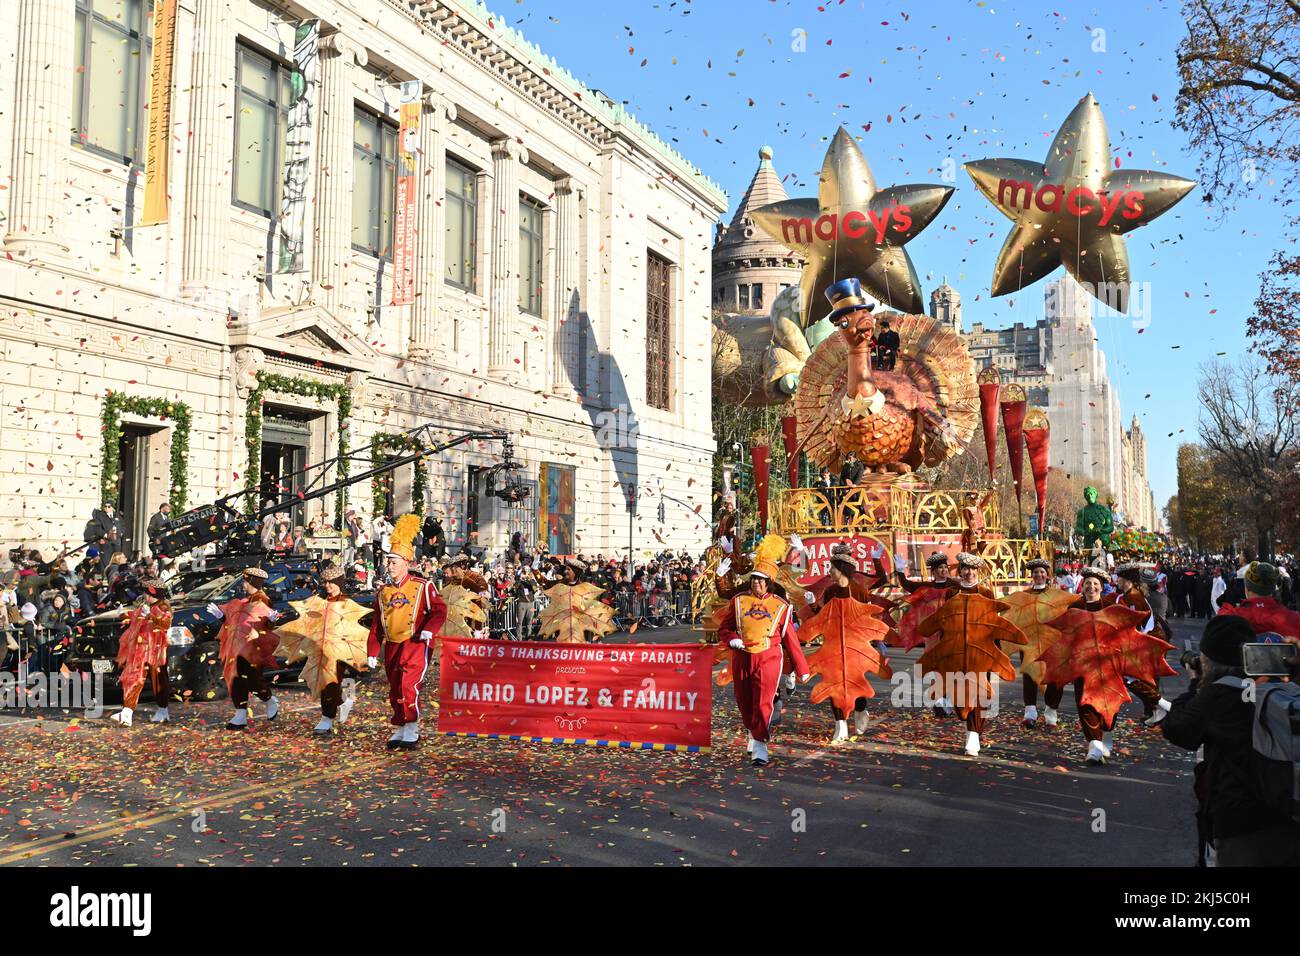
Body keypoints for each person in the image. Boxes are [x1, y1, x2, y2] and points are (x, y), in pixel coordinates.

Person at [1161, 614, 1300, 866]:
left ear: (1209, 660)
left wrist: (1195, 683)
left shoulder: (1219, 695)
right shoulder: (1280, 693)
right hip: (1289, 813)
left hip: (1242, 825)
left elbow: (1176, 728)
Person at [715, 555, 811, 767]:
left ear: (768, 582)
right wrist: (733, 640)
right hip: (742, 657)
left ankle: (760, 745)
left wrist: (801, 668)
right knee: (744, 701)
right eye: (754, 579)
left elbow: (790, 640)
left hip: (769, 657)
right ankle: (753, 731)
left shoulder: (782, 606)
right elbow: (725, 628)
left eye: (761, 579)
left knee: (763, 701)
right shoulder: (738, 601)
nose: (756, 582)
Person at [366, 514, 447, 750]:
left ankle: (412, 726)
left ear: (406, 563)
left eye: (393, 562)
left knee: (408, 685)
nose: (389, 566)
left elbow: (439, 611)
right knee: (394, 687)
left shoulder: (423, 586)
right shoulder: (383, 592)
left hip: (415, 643)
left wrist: (429, 631)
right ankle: (400, 725)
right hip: (392, 644)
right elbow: (377, 625)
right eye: (388, 562)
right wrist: (372, 650)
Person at [276, 564, 370, 736]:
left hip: (338, 652)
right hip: (319, 649)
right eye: (325, 582)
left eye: (331, 582)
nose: (327, 585)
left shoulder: (347, 604)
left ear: (339, 582)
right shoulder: (318, 602)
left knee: (329, 683)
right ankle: (343, 701)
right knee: (321, 682)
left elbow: (354, 631)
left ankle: (326, 718)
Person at [208, 567, 282, 730]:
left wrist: (271, 620)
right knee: (235, 678)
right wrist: (223, 617)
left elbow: (266, 622)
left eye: (245, 581)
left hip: (252, 650)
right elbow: (237, 621)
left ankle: (269, 700)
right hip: (236, 648)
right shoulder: (245, 600)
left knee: (252, 679)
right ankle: (240, 714)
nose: (243, 584)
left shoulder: (263, 600)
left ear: (252, 582)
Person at [109, 578, 173, 726]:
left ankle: (163, 710)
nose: (145, 597)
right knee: (134, 678)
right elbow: (135, 617)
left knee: (159, 679)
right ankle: (127, 713)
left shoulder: (163, 607)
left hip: (156, 650)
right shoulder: (145, 606)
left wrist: (151, 614)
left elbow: (165, 623)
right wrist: (122, 614)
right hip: (141, 649)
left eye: (148, 594)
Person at [1214, 561, 1300, 641]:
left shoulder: (1230, 617)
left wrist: (1227, 604)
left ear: (1246, 589)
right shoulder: (1295, 619)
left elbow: (1212, 638)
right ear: (1273, 590)